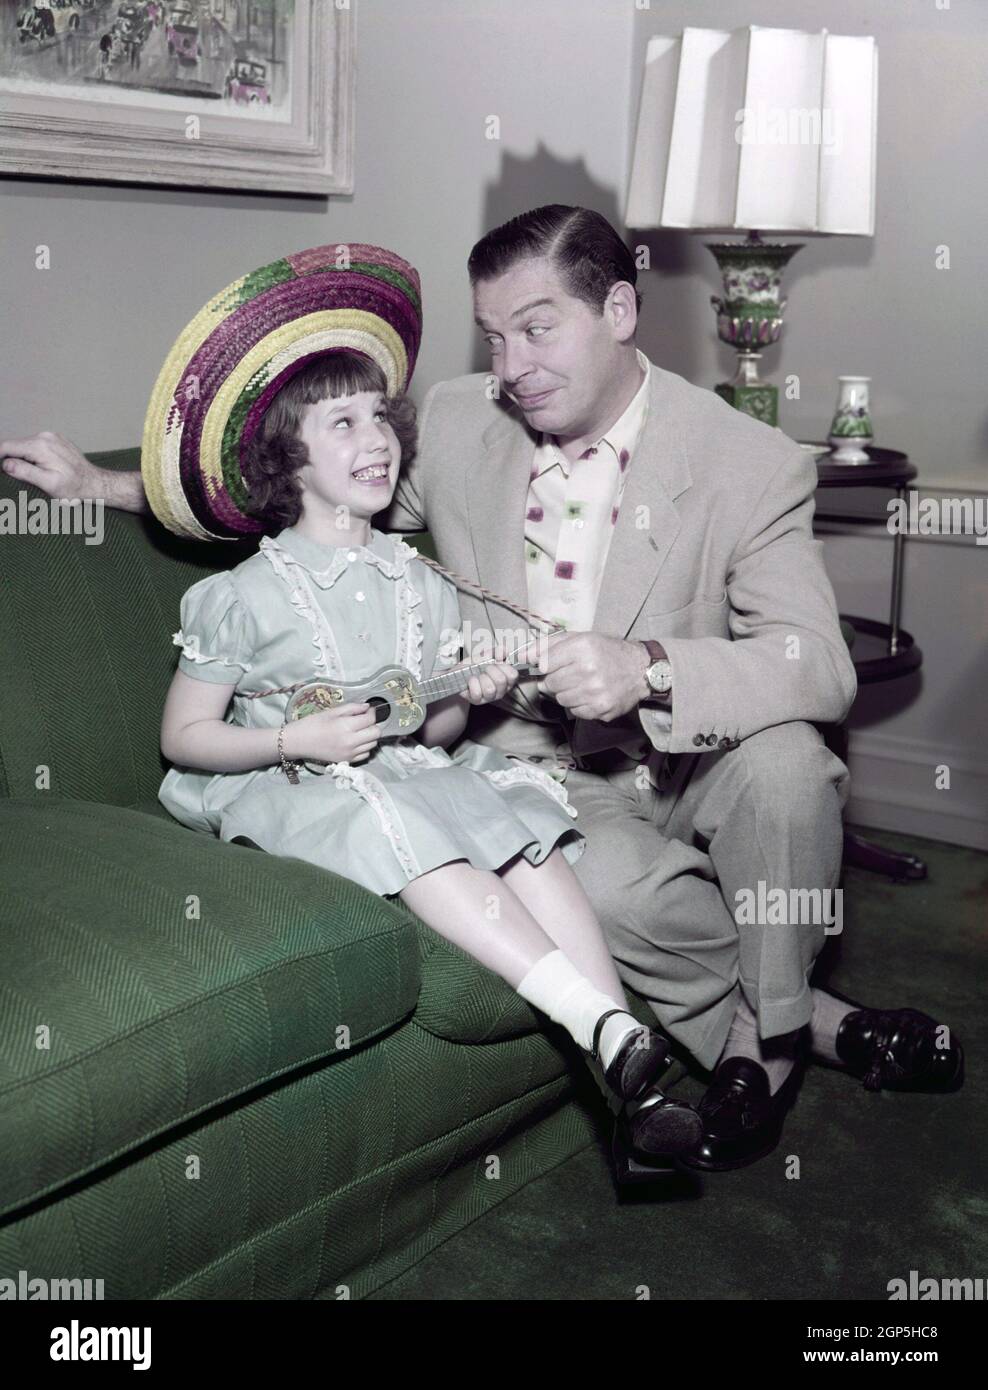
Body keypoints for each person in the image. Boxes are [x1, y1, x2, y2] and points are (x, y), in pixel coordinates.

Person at [1, 214, 964, 1176]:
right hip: (549, 769)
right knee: (611, 898)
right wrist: (108, 486)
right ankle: (809, 1034)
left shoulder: (746, 461)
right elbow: (292, 490)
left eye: (539, 329)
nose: (513, 366)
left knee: (795, 769)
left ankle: (770, 1053)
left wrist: (652, 669)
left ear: (620, 309)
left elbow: (816, 664)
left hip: (700, 753)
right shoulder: (463, 422)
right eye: (494, 337)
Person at [98, 244, 704, 1186]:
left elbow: (432, 736)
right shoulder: (243, 596)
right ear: (286, 460)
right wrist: (293, 736)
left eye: (379, 416)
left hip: (405, 772)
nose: (375, 437)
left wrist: (471, 695)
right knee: (410, 823)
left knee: (517, 828)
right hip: (289, 782)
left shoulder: (418, 580)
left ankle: (631, 1079)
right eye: (342, 423)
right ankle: (607, 1029)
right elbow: (182, 737)